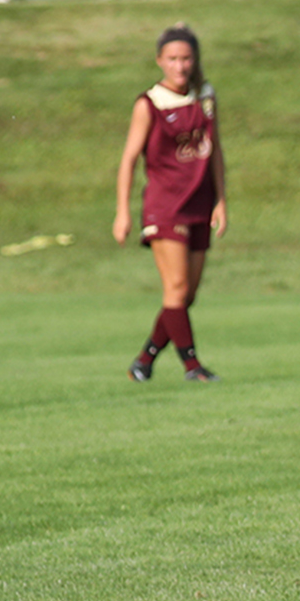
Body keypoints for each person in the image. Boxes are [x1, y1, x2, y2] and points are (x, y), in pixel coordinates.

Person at [114, 24, 227, 384]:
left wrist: (221, 201)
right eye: (173, 59)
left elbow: (216, 152)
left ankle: (143, 361)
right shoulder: (149, 104)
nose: (180, 66)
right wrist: (122, 211)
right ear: (160, 61)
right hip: (165, 206)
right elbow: (129, 159)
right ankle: (193, 367)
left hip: (200, 202)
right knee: (176, 288)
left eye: (187, 58)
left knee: (185, 295)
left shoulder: (205, 97)